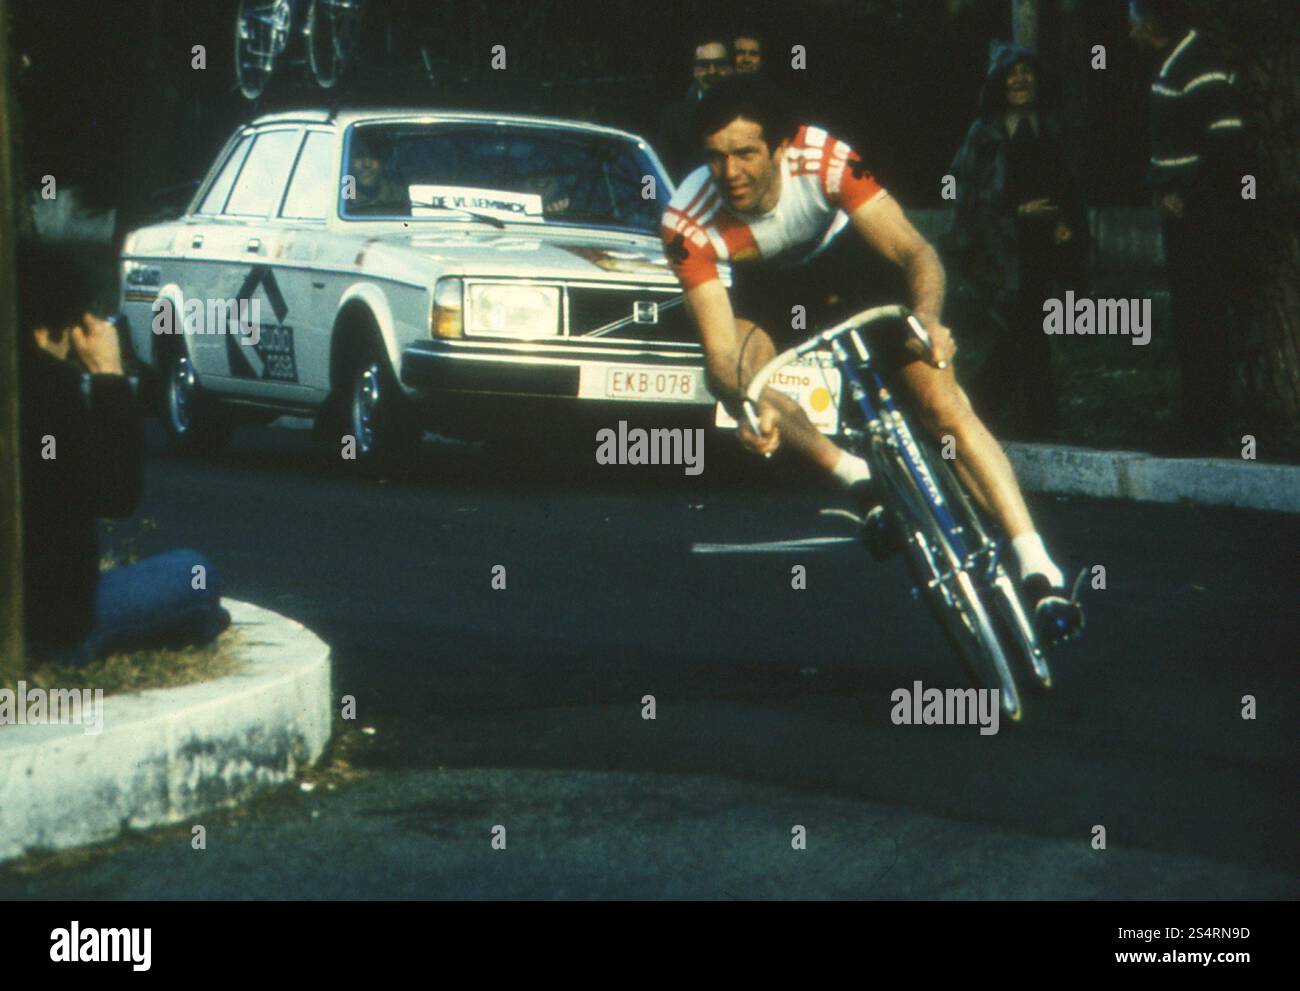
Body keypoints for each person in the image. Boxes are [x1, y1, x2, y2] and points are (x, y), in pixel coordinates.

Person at [660, 78, 1081, 639]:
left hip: (853, 269)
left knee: (942, 405)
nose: (730, 171)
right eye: (715, 156)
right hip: (768, 291)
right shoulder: (686, 221)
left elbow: (915, 251)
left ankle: (1036, 563)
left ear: (782, 147)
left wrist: (928, 320)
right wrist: (746, 404)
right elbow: (719, 351)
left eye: (745, 153)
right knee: (738, 377)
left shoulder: (825, 157)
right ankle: (852, 472)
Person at [19, 241, 230, 668]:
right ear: (46, 330)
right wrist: (109, 378)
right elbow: (117, 496)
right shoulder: (48, 386)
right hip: (51, 625)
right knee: (194, 571)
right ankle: (192, 622)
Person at [947, 42, 1089, 439]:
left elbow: (1070, 188)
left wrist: (1065, 223)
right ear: (998, 84)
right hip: (1001, 250)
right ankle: (1016, 420)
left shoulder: (1054, 128)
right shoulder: (984, 135)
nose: (1020, 80)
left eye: (1027, 71)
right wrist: (1014, 217)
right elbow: (968, 199)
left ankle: (982, 416)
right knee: (1025, 332)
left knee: (1031, 332)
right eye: (1011, 74)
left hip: (1048, 251)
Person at [1129, 0, 1249, 453]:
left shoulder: (1198, 62)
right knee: (1192, 321)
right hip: (1185, 218)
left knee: (1204, 322)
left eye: (1133, 23)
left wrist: (1189, 196)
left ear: (1151, 24)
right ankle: (1195, 420)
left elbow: (1226, 137)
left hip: (1204, 220)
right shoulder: (1175, 61)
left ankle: (1205, 427)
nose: (1130, 33)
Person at [657, 36, 734, 182]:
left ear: (730, 69)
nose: (712, 71)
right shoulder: (673, 118)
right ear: (695, 71)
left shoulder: (745, 112)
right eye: (704, 65)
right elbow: (663, 174)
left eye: (720, 65)